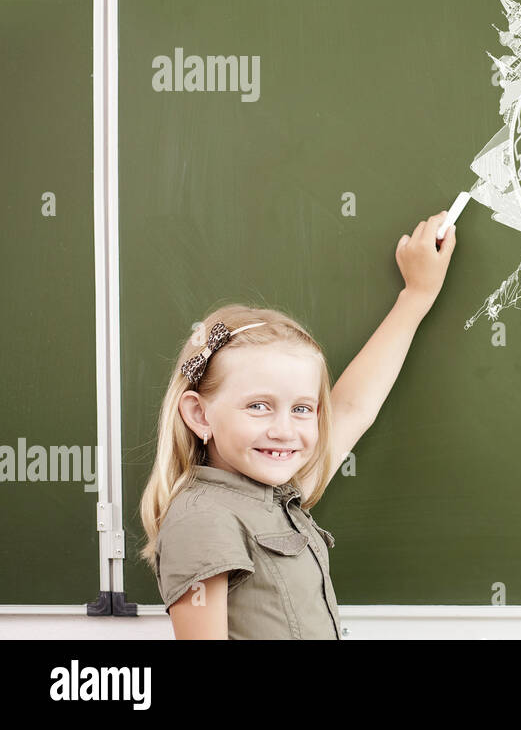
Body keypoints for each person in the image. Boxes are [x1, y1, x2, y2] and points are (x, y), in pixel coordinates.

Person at [138, 212, 457, 639]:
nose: (285, 431)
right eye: (258, 406)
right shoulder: (204, 520)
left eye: (303, 409)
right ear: (199, 414)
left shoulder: (272, 498)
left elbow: (350, 409)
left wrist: (416, 295)